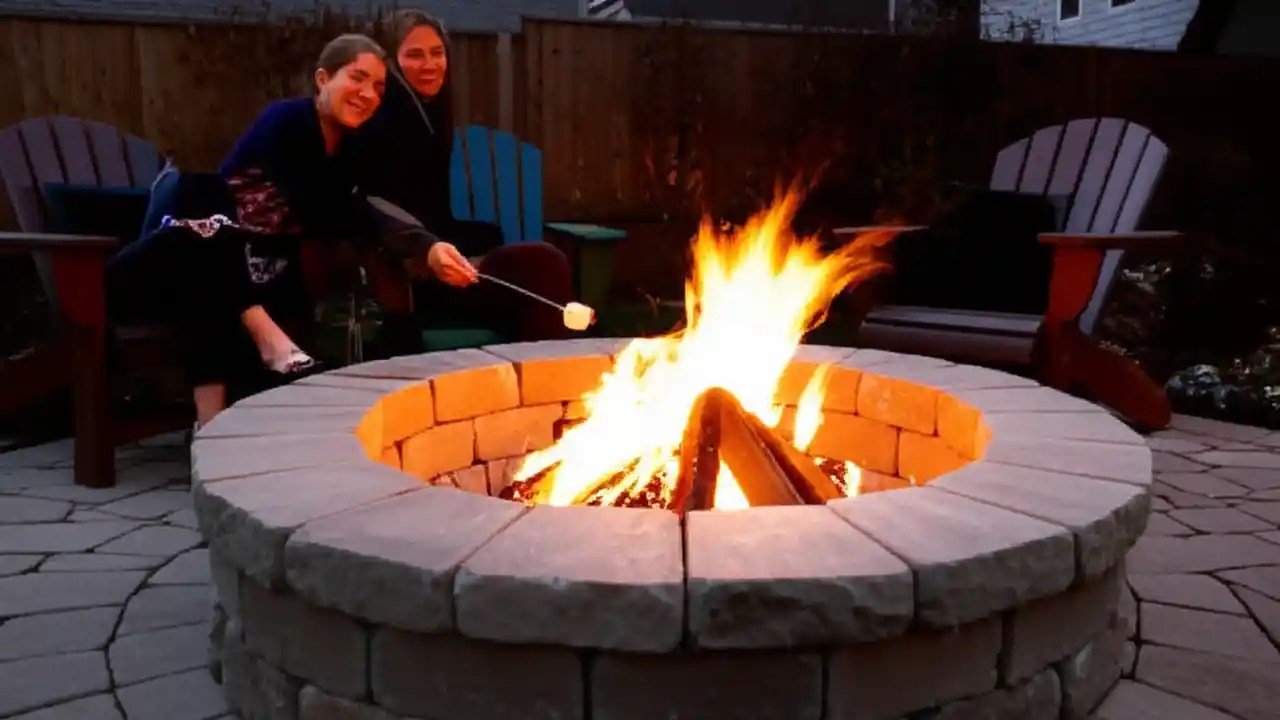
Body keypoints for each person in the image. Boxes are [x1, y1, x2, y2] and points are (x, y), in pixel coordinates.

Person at [108, 33, 437, 427]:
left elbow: (354, 212)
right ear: (322, 80)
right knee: (205, 213)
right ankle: (268, 345)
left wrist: (427, 247)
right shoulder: (288, 121)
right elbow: (323, 206)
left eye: (378, 87)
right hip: (155, 273)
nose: (368, 93)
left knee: (220, 275)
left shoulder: (350, 150)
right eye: (356, 77)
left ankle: (208, 425)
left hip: (237, 282)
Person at [349, 9, 576, 351]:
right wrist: (430, 255)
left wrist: (477, 247)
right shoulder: (387, 119)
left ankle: (542, 362)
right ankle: (551, 368)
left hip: (441, 259)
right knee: (543, 264)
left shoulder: (426, 115)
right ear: (389, 62)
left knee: (521, 258)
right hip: (418, 278)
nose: (430, 65)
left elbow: (430, 210)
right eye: (414, 55)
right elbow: (375, 208)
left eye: (437, 53)